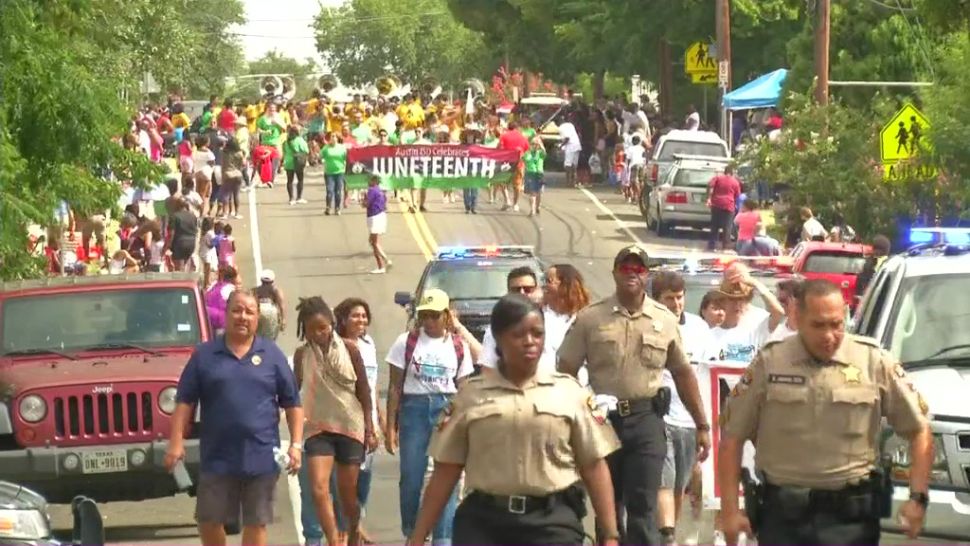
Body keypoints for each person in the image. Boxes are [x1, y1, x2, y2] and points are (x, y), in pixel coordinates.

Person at [718, 279, 932, 545]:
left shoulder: (873, 361)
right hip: (784, 518)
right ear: (797, 317)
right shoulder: (771, 362)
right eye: (818, 325)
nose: (829, 335)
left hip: (851, 520)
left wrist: (918, 497)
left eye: (836, 324)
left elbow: (919, 429)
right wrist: (729, 510)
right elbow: (731, 437)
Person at [407, 294, 623, 546]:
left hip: (551, 523)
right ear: (498, 339)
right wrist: (418, 536)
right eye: (519, 334)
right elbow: (446, 471)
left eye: (537, 333)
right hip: (485, 523)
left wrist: (610, 534)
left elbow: (593, 466)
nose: (530, 342)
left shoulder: (570, 393)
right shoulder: (471, 397)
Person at [557, 245, 711, 545]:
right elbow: (566, 371)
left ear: (647, 276)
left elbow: (682, 373)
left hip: (646, 420)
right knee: (608, 509)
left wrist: (702, 425)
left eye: (638, 269)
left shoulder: (664, 319)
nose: (632, 273)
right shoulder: (590, 318)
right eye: (625, 268)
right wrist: (569, 420)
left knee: (644, 506)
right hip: (602, 421)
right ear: (615, 273)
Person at [165, 291, 303, 546]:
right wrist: (176, 442)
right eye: (237, 310)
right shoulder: (204, 355)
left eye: (249, 312)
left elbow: (293, 403)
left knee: (256, 521)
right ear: (226, 314)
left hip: (261, 454)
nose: (243, 317)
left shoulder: (271, 355)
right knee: (209, 520)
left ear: (257, 318)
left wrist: (295, 445)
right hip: (218, 456)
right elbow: (184, 401)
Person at [385, 289, 475, 546]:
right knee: (411, 478)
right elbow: (394, 387)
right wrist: (391, 427)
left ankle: (443, 537)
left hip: (446, 408)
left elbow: (465, 389)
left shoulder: (458, 346)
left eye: (435, 315)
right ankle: (414, 533)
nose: (430, 321)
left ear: (447, 315)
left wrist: (464, 425)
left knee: (447, 476)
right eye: (425, 315)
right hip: (414, 411)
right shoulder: (406, 342)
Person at [293, 297, 377, 546]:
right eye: (312, 330)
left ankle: (352, 530)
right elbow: (292, 393)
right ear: (304, 330)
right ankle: (332, 540)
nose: (319, 333)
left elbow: (363, 390)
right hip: (318, 427)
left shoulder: (350, 349)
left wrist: (370, 429)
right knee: (319, 488)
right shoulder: (302, 356)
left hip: (350, 426)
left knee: (347, 495)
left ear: (331, 323)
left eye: (323, 327)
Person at [650, 271, 719, 546]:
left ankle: (670, 532)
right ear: (656, 300)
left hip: (690, 421)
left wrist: (705, 423)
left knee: (678, 485)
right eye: (669, 299)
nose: (676, 304)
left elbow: (713, 370)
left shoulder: (700, 329)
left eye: (680, 298)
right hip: (659, 418)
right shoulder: (650, 325)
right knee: (663, 482)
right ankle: (666, 535)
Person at [328, 298, 385, 545]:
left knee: (364, 479)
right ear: (343, 319)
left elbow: (373, 385)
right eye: (355, 316)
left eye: (364, 316)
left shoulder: (369, 344)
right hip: (348, 421)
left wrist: (380, 418)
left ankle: (356, 524)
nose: (361, 320)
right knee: (346, 481)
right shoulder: (338, 346)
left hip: (369, 421)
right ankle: (345, 529)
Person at [479, 267, 550, 371]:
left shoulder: (554, 323)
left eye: (527, 289)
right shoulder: (497, 329)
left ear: (537, 291)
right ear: (508, 292)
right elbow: (488, 369)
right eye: (516, 290)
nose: (522, 293)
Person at [706, 165, 742, 252]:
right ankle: (725, 247)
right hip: (729, 205)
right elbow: (737, 195)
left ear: (724, 171)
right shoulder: (735, 182)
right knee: (727, 227)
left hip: (716, 204)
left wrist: (709, 198)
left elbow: (710, 186)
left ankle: (712, 245)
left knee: (714, 225)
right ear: (732, 173)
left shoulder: (717, 178)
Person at [362, 175, 391, 274]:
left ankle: (383, 263)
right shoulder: (380, 191)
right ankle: (383, 263)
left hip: (374, 217)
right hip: (381, 215)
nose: (367, 182)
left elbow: (366, 204)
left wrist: (364, 199)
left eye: (369, 180)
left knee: (374, 243)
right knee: (371, 241)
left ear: (374, 181)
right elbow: (385, 204)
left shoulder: (372, 191)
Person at [252, 270, 285, 341]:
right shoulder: (276, 290)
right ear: (272, 280)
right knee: (270, 337)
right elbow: (281, 305)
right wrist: (283, 319)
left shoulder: (255, 290)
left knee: (257, 335)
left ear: (261, 280)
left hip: (258, 310)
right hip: (271, 311)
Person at [321, 132, 347, 216]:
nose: (333, 138)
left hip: (340, 172)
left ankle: (337, 208)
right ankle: (328, 207)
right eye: (331, 137)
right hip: (329, 173)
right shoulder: (326, 148)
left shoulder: (342, 148)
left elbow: (347, 158)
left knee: (338, 191)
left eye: (334, 136)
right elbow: (320, 156)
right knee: (329, 191)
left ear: (337, 138)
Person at [284, 125, 310, 205]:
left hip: (288, 162)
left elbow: (284, 151)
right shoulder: (300, 140)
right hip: (298, 162)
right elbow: (306, 150)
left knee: (289, 181)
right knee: (300, 179)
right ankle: (299, 197)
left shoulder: (286, 142)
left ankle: (291, 198)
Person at [522, 136, 546, 216]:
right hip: (531, 173)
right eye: (533, 144)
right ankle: (533, 209)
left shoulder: (540, 153)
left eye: (536, 144)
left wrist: (540, 144)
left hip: (538, 174)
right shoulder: (528, 153)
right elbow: (524, 160)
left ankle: (537, 207)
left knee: (537, 193)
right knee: (533, 193)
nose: (535, 146)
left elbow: (544, 152)